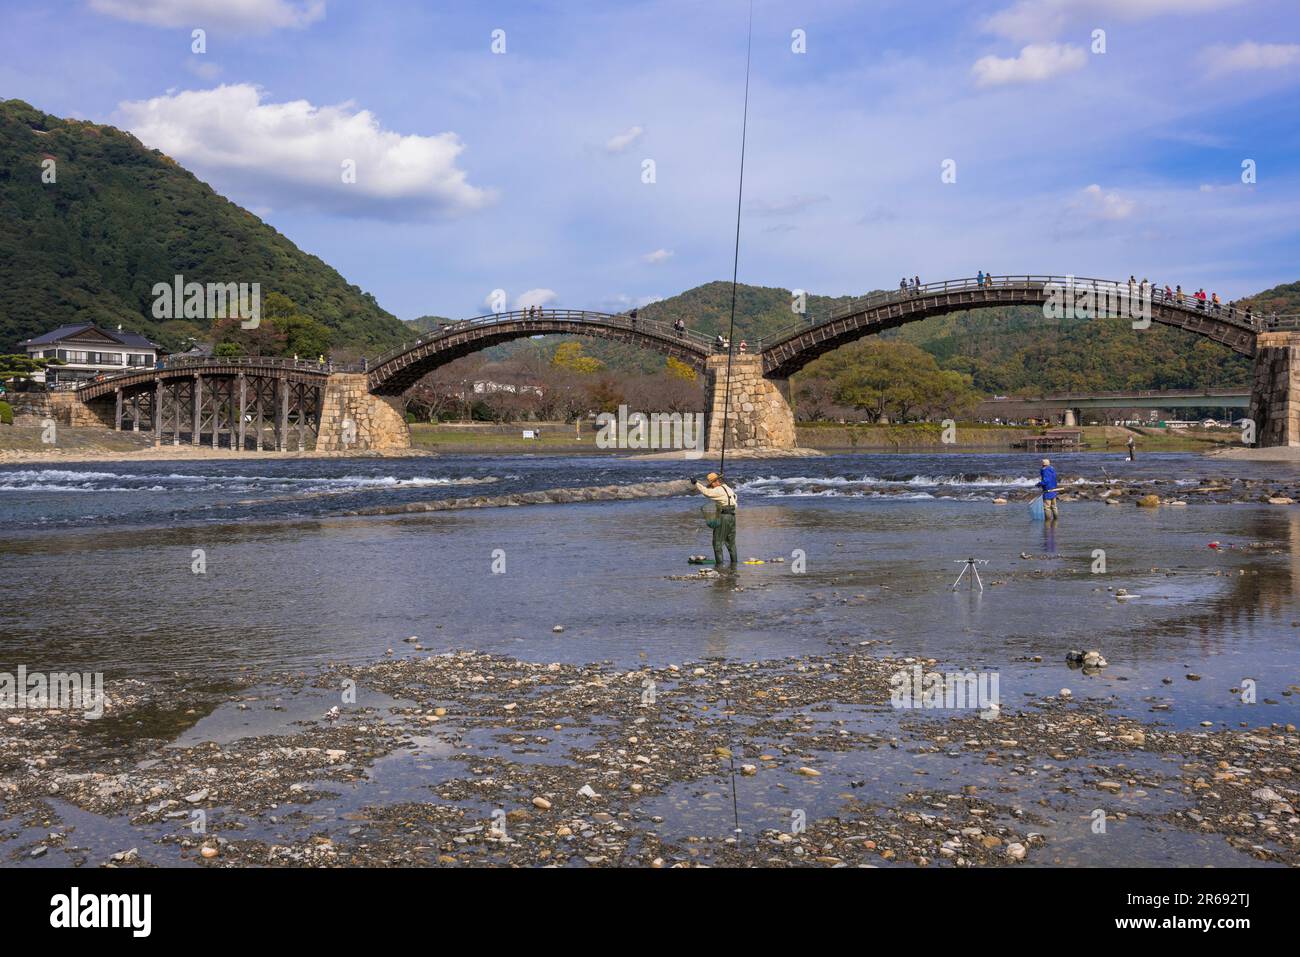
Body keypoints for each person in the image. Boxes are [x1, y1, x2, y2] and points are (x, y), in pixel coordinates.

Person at [691, 472, 738, 566]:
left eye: (711, 484)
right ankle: (734, 565)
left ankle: (719, 566)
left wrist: (696, 483)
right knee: (731, 543)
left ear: (715, 482)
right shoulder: (728, 488)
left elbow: (707, 493)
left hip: (724, 517)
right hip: (732, 517)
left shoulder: (718, 490)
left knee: (717, 542)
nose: (711, 486)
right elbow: (735, 499)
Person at [1038, 457, 1060, 522]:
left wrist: (1039, 484)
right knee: (1054, 506)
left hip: (1047, 491)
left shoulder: (1045, 470)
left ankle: (1047, 521)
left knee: (1047, 507)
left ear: (1043, 464)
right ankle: (1056, 520)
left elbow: (1046, 481)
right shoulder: (1052, 469)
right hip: (1053, 490)